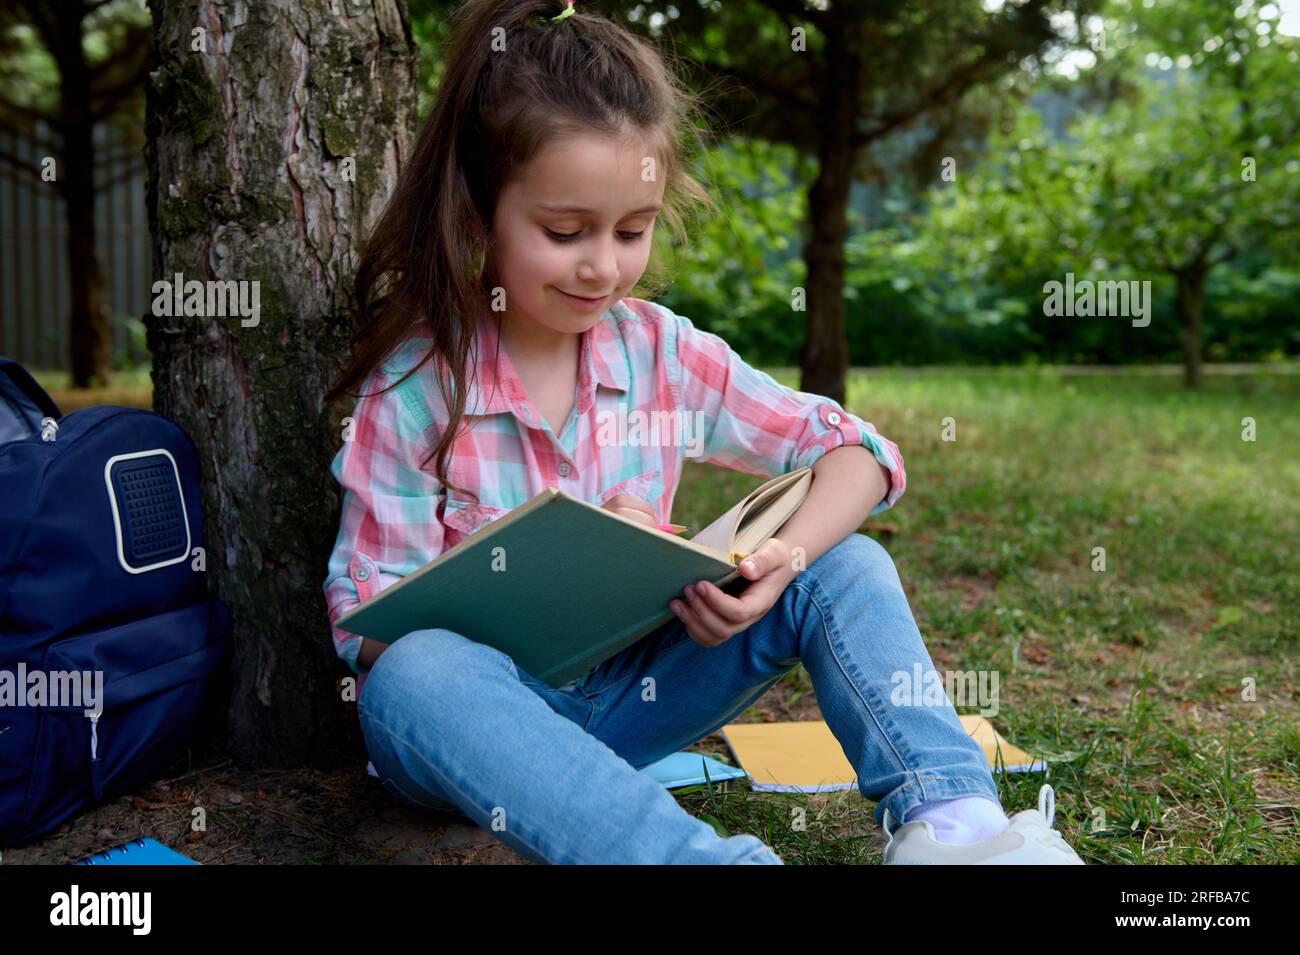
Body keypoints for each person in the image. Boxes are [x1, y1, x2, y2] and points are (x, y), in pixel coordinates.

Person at [321, 0, 1084, 865]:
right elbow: (366, 630)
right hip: (477, 734)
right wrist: (540, 560)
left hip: (631, 699)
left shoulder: (661, 353)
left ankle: (958, 830)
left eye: (631, 231)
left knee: (846, 561)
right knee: (418, 673)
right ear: (480, 207)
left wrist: (774, 570)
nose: (602, 265)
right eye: (563, 232)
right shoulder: (418, 390)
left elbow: (861, 456)